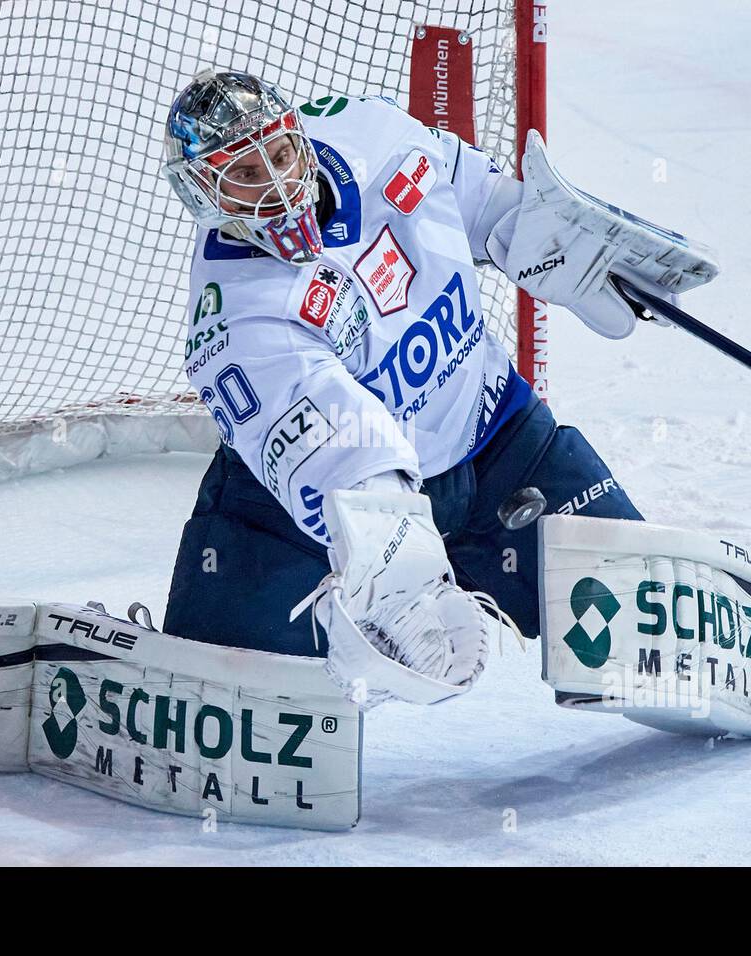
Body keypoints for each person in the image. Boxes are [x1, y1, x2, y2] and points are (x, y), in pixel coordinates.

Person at [160, 70, 715, 705]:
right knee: (222, 698)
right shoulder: (236, 320)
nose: (278, 186)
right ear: (204, 194)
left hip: (496, 443)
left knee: (659, 634)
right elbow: (343, 446)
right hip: (304, 518)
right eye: (246, 176)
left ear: (300, 138)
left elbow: (475, 201)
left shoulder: (373, 133)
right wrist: (396, 564)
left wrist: (547, 235)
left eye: (281, 156)